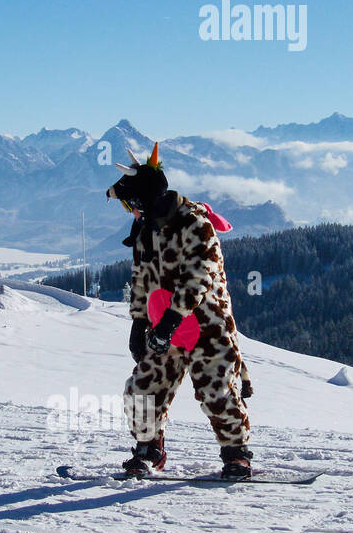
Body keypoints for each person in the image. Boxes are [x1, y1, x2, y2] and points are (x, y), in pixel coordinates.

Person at [107, 142, 254, 480]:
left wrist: (172, 318)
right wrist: (138, 323)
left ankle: (236, 454)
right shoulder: (146, 232)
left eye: (130, 202)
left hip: (207, 327)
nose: (129, 210)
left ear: (144, 198)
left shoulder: (195, 222)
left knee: (215, 390)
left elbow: (200, 274)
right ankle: (148, 449)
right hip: (164, 330)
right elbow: (141, 277)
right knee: (141, 388)